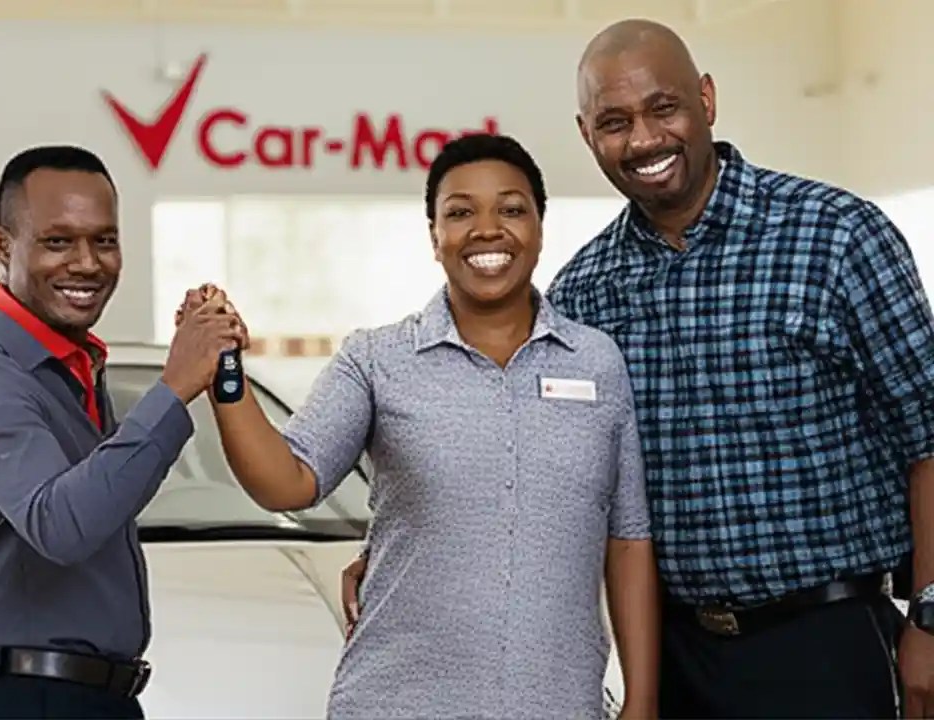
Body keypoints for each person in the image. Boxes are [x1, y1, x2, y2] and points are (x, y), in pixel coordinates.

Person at [338, 17, 934, 719]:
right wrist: (407, 551)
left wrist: (929, 616)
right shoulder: (585, 290)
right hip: (673, 655)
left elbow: (927, 438)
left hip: (829, 641)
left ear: (706, 100)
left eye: (664, 108)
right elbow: (530, 457)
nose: (644, 140)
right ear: (588, 136)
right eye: (615, 122)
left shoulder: (836, 235)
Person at [179, 133, 661, 719]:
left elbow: (628, 538)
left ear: (539, 226)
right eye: (460, 212)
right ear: (434, 236)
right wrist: (226, 375)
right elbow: (288, 482)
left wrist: (642, 700)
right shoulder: (377, 359)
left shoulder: (596, 361)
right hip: (397, 703)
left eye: (511, 209)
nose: (487, 229)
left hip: (556, 704)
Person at [0, 145, 244, 719]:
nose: (87, 263)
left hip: (91, 700)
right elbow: (62, 525)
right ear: (2, 245)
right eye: (58, 241)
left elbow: (101, 494)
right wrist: (173, 389)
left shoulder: (75, 365)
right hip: (28, 703)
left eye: (104, 240)